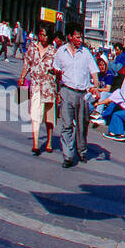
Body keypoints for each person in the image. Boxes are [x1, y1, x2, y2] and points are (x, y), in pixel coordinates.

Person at [52, 24, 99, 169]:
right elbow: (56, 70)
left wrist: (95, 86)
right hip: (67, 91)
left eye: (81, 37)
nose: (80, 40)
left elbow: (94, 72)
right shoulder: (61, 52)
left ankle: (82, 150)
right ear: (70, 37)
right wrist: (57, 85)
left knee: (82, 125)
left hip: (82, 94)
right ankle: (68, 156)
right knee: (66, 125)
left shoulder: (85, 53)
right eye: (77, 37)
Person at [20, 26, 57, 155]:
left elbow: (57, 70)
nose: (43, 38)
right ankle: (35, 144)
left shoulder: (53, 51)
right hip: (36, 85)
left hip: (49, 88)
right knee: (35, 114)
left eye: (45, 35)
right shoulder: (32, 47)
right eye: (41, 34)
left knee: (49, 117)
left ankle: (49, 141)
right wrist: (22, 77)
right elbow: (27, 63)